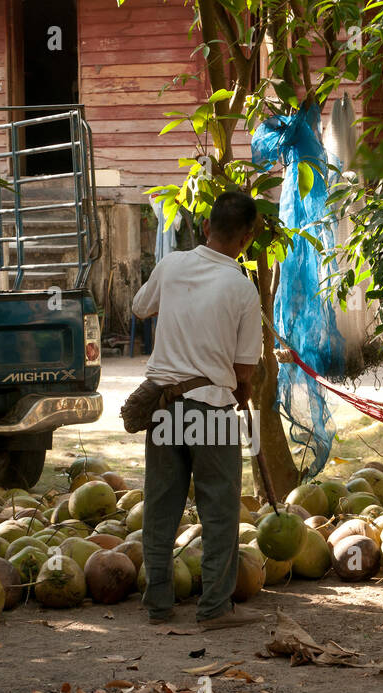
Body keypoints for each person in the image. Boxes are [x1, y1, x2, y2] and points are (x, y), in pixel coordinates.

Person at [131, 192, 269, 630]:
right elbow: (245, 368)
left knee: (160, 505)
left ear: (206, 227)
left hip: (165, 407)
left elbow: (139, 307)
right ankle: (214, 608)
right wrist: (239, 388)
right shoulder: (243, 289)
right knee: (219, 509)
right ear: (247, 239)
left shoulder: (171, 265)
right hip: (211, 410)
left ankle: (158, 605)